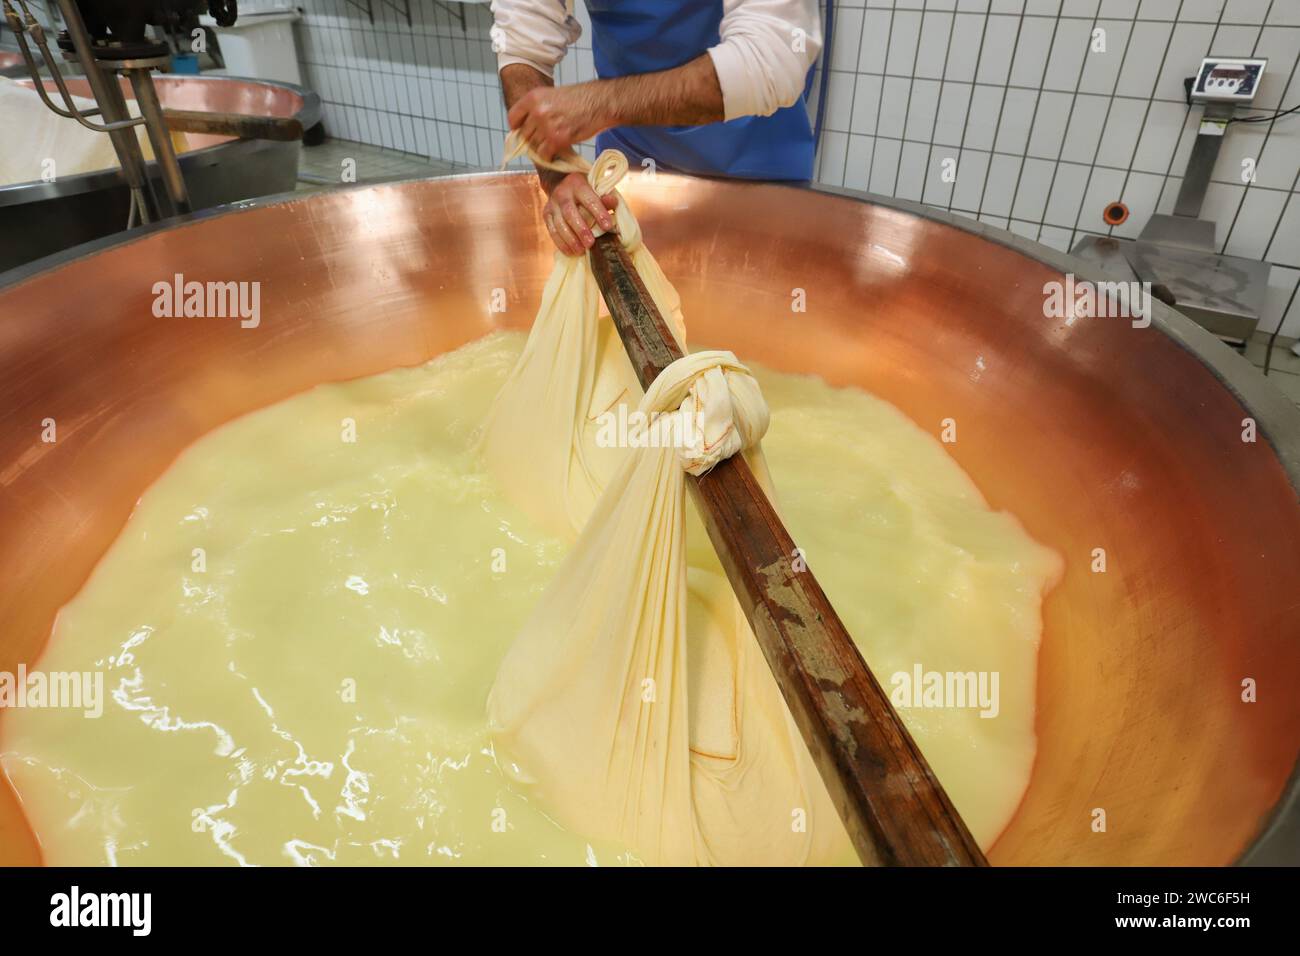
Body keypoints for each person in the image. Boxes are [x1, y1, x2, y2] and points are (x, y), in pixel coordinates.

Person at [490, 0, 822, 254]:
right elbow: (522, 46)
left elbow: (771, 55)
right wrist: (557, 171)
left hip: (755, 165)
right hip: (631, 169)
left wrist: (602, 103)